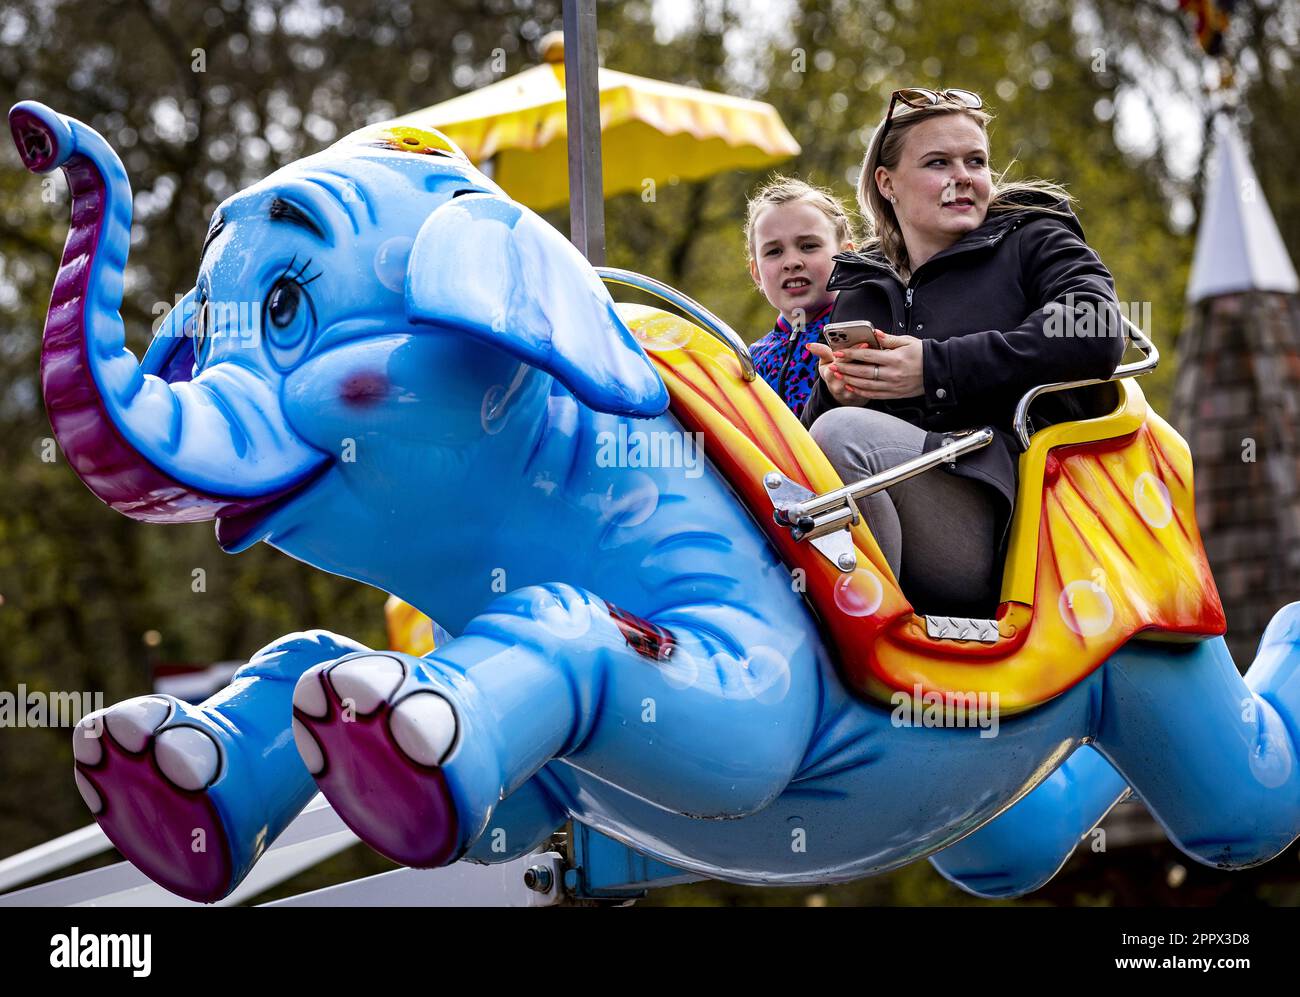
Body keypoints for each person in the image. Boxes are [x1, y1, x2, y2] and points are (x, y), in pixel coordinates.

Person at [801, 87, 1126, 618]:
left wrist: (933, 368)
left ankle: (873, 639)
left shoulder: (1033, 238)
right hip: (896, 508)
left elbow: (1094, 328)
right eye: (938, 162)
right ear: (887, 184)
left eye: (975, 161)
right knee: (789, 459)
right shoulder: (860, 286)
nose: (964, 176)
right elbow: (817, 445)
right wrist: (833, 392)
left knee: (842, 435)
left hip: (1018, 521)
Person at [744, 176, 857, 414]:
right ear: (756, 272)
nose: (792, 262)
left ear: (846, 256)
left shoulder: (861, 330)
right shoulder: (749, 360)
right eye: (774, 251)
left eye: (808, 246)